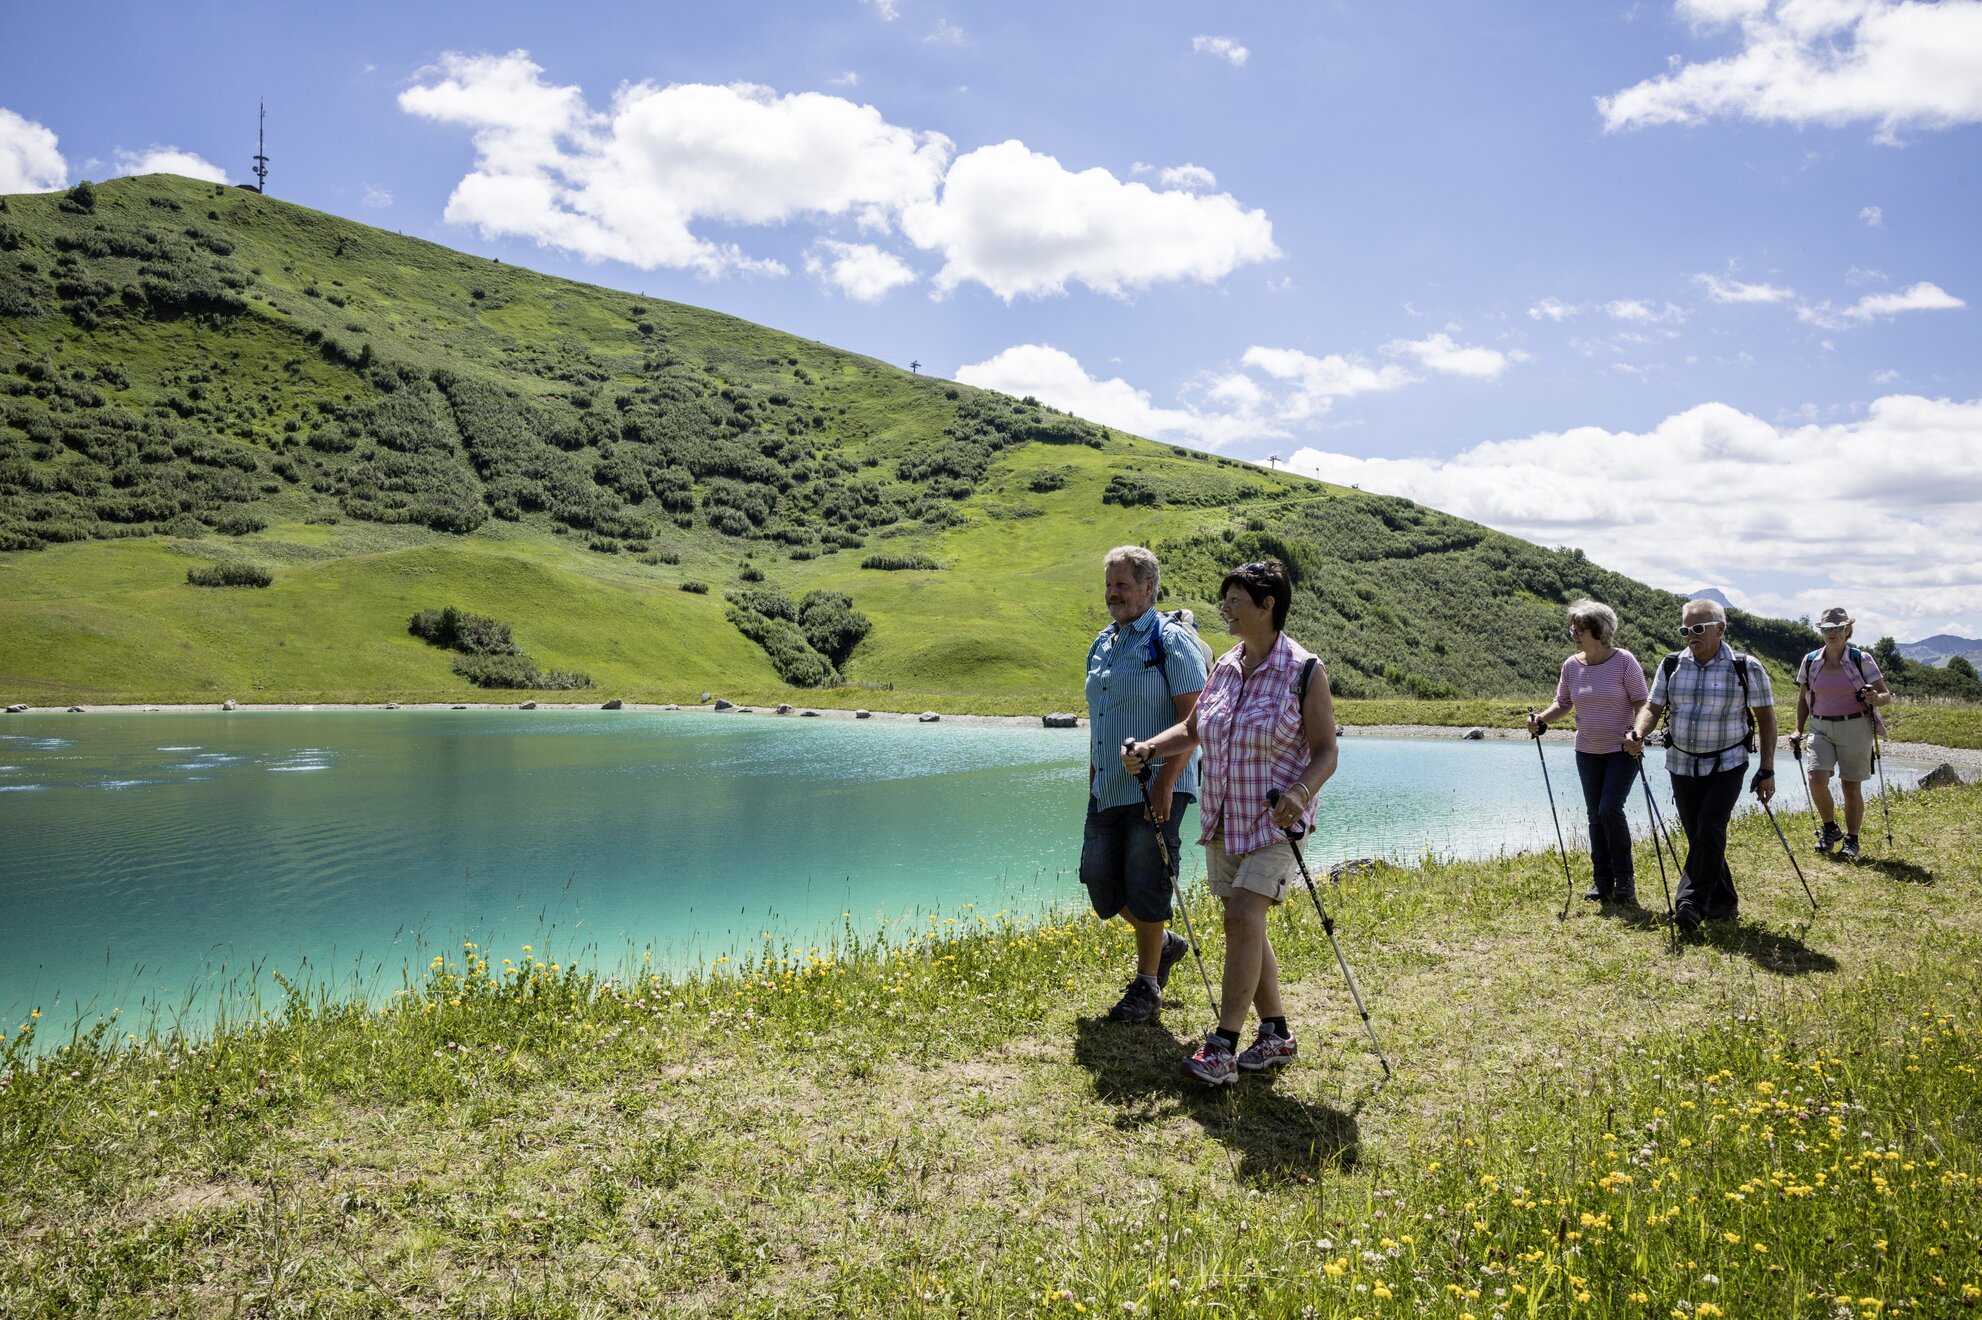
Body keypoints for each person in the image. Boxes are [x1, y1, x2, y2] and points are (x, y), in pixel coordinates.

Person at [1122, 559, 1339, 1085]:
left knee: (1242, 916)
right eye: (1226, 599)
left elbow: (1326, 752)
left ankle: (1222, 1046)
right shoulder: (1224, 666)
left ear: (1268, 606)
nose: (1226, 608)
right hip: (1225, 818)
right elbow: (1194, 730)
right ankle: (1276, 1033)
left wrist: (1301, 792)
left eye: (1236, 600)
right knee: (1247, 924)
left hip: (1276, 822)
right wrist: (1151, 748)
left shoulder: (1304, 670)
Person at [1082, 546, 1209, 1023]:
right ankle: (1165, 943)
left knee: (1147, 881)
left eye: (1122, 584)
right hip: (1108, 787)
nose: (1113, 593)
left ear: (1148, 588)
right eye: (1109, 584)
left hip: (1160, 785)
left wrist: (1167, 784)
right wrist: (1094, 777)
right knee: (1099, 880)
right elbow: (1100, 719)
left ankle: (1147, 984)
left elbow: (1194, 721)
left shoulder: (1169, 641)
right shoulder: (1101, 643)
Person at [1624, 598, 1777, 933]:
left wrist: (1766, 769)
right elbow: (1652, 706)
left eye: (1698, 628)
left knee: (1709, 826)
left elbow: (1766, 720)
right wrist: (1638, 731)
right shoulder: (1671, 664)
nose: (1690, 635)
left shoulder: (1746, 667)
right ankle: (1724, 900)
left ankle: (1690, 903)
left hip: (1728, 763)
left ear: (1720, 629)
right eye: (1685, 629)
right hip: (1681, 763)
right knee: (1699, 834)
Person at [1525, 599, 1649, 907]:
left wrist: (1638, 733)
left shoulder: (1624, 661)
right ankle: (1602, 881)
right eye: (1572, 629)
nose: (1575, 634)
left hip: (1623, 749)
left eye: (1581, 629)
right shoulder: (1572, 665)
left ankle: (1625, 880)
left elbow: (1642, 701)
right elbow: (1563, 703)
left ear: (1600, 630)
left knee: (1609, 809)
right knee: (1595, 816)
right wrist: (1541, 719)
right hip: (1587, 750)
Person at [1791, 606, 1892, 860]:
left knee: (1850, 785)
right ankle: (1830, 829)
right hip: (1820, 726)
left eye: (1837, 628)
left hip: (1856, 726)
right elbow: (1803, 698)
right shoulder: (1811, 660)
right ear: (1821, 631)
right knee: (1816, 777)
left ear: (1847, 630)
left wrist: (1874, 698)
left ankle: (1852, 839)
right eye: (1827, 628)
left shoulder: (1862, 658)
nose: (1831, 632)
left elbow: (1885, 695)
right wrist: (1798, 729)